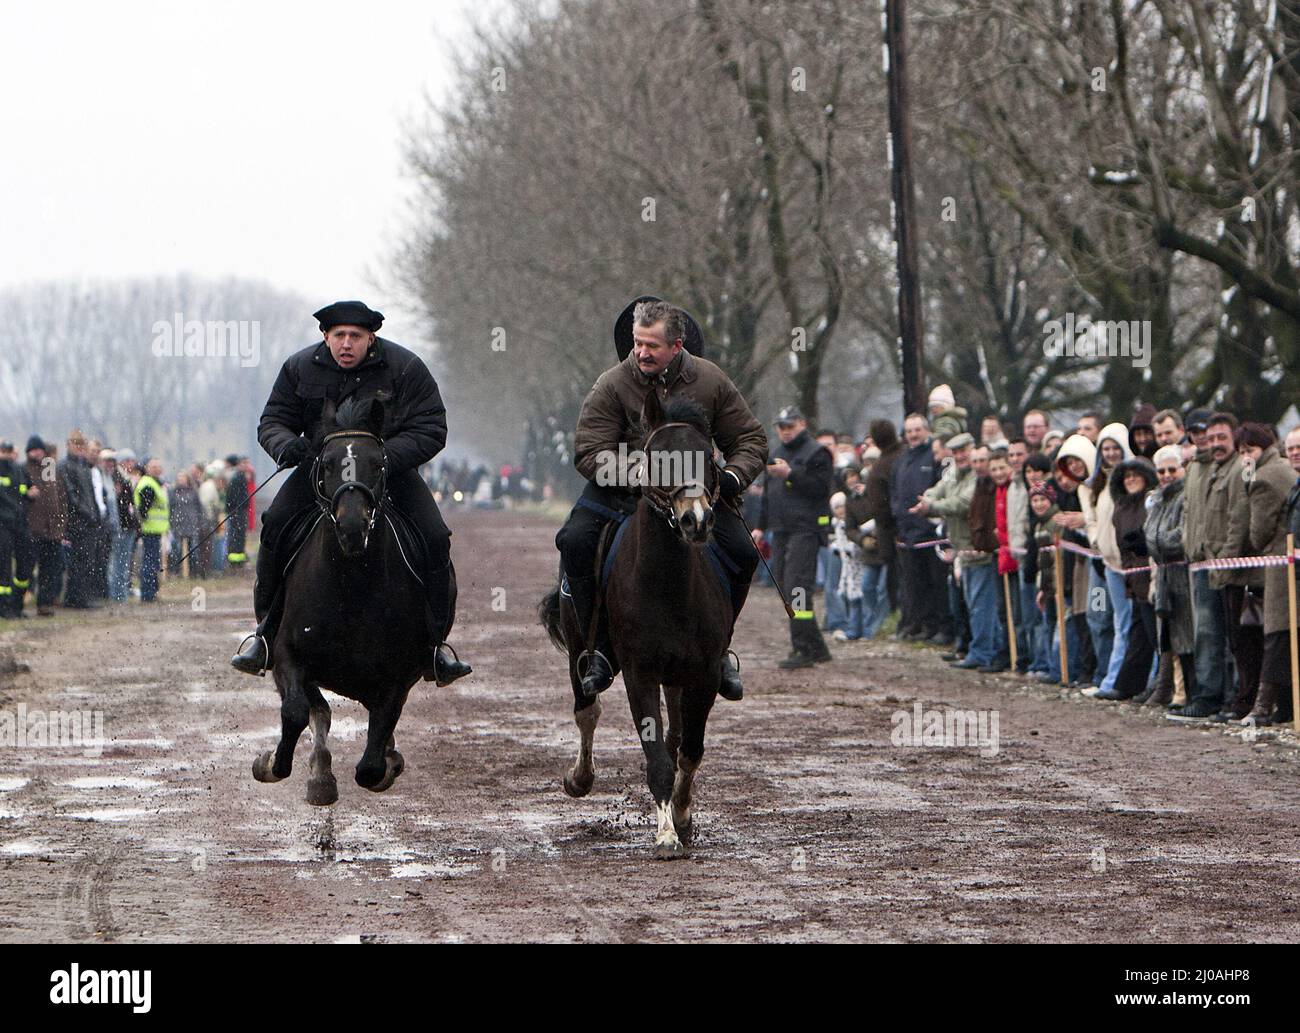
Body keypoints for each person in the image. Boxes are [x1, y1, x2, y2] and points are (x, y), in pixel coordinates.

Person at [231, 299, 471, 685]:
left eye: (355, 336)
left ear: (370, 337)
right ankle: (265, 636)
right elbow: (273, 420)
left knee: (435, 536)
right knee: (274, 525)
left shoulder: (405, 367)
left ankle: (435, 646)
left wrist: (380, 459)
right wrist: (285, 444)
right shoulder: (298, 368)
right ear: (325, 336)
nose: (346, 344)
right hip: (318, 471)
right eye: (338, 335)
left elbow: (431, 427)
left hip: (388, 471)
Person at [555, 298, 765, 698]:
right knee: (574, 541)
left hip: (695, 490)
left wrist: (735, 475)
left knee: (744, 551)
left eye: (651, 346)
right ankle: (598, 649)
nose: (641, 353)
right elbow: (588, 449)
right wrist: (639, 474)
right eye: (637, 343)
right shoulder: (613, 383)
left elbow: (750, 438)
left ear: (677, 345)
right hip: (621, 492)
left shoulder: (711, 380)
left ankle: (719, 650)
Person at [757, 405, 834, 671]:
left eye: (790, 426)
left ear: (802, 424)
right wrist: (760, 526)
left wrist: (791, 475)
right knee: (785, 589)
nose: (785, 432)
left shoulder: (817, 453)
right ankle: (816, 647)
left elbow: (822, 489)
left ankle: (802, 646)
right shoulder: (777, 453)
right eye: (781, 427)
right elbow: (768, 494)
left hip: (805, 529)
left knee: (798, 589)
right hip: (780, 529)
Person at [1245, 426, 1300, 725]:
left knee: (1277, 635)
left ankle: (1263, 706)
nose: (1294, 453)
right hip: (1289, 565)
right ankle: (1286, 708)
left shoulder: (1264, 479)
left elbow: (1258, 533)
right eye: (1290, 448)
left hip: (1284, 566)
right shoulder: (1292, 481)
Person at [891, 414, 951, 644]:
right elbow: (895, 492)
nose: (913, 435)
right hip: (908, 534)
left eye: (917, 430)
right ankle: (925, 625)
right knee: (917, 584)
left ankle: (943, 626)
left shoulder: (933, 456)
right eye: (909, 431)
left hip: (931, 533)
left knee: (937, 583)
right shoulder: (901, 459)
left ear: (926, 430)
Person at [1142, 445, 1194, 708]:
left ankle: (1188, 692)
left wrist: (1157, 541)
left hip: (1183, 572)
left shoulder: (1186, 497)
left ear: (1182, 469)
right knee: (1168, 635)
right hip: (1162, 573)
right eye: (1161, 471)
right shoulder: (1159, 499)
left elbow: (1179, 537)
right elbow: (1149, 533)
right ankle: (1176, 689)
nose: (1166, 475)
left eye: (1172, 469)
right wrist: (1157, 541)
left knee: (1187, 634)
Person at [1105, 457, 1159, 699]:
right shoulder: (1121, 507)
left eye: (1136, 474)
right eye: (1127, 476)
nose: (1131, 479)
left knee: (1154, 633)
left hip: (1153, 574)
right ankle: (1128, 685)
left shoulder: (1151, 502)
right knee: (1140, 632)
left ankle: (1157, 685)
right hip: (1133, 577)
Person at [59, 431, 101, 609]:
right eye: (76, 445)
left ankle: (82, 596)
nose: (80, 449)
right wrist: (87, 513)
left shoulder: (84, 467)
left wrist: (96, 512)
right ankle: (75, 598)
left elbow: (90, 493)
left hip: (89, 520)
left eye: (82, 445)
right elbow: (70, 496)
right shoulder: (65, 466)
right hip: (77, 521)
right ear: (69, 445)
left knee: (88, 561)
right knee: (78, 561)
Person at [24, 437, 65, 616]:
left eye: (40, 450)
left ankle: (45, 603)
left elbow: (60, 498)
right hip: (32, 529)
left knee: (49, 569)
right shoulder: (23, 470)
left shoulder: (50, 469)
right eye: (34, 450)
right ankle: (19, 602)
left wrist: (61, 525)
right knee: (26, 568)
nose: (37, 453)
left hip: (52, 531)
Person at [134, 458, 168, 603]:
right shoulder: (148, 484)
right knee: (150, 562)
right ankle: (148, 593)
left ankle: (151, 592)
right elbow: (143, 508)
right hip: (150, 529)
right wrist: (144, 518)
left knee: (152, 562)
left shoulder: (153, 483)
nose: (157, 469)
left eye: (158, 466)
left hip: (154, 529)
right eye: (153, 466)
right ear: (147, 468)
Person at [224, 454, 249, 572]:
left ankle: (238, 563)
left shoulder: (239, 477)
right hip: (237, 512)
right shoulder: (238, 478)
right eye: (244, 463)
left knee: (238, 537)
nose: (246, 466)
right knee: (237, 537)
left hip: (237, 512)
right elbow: (233, 497)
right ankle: (235, 564)